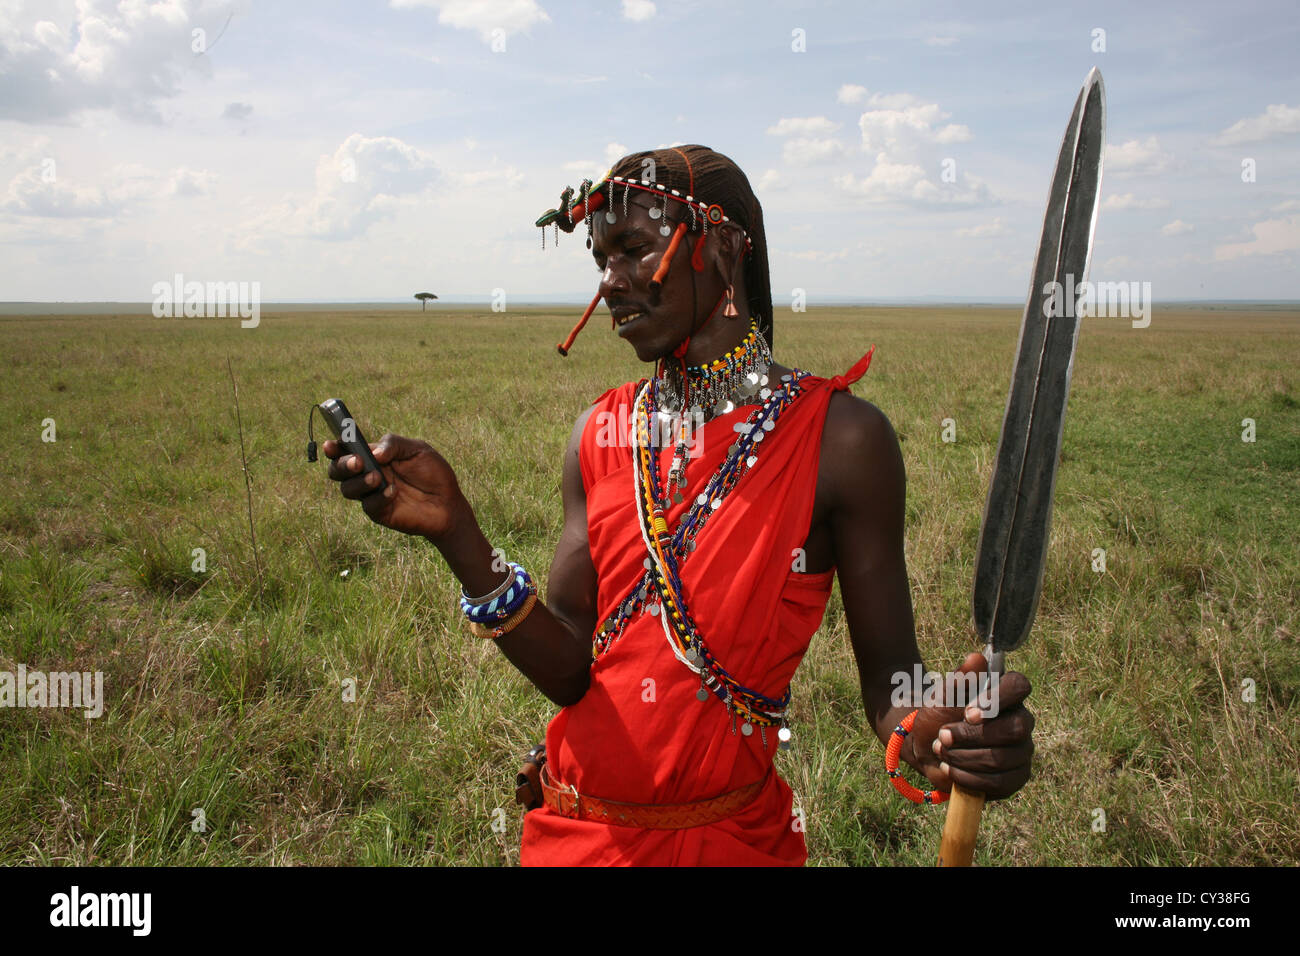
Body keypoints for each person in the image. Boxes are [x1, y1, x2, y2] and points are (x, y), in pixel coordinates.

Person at [323, 145, 1034, 866]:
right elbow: (571, 669)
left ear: (723, 250)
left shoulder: (841, 442)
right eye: (600, 260)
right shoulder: (599, 433)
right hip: (574, 836)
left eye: (634, 249)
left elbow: (890, 682)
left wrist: (936, 734)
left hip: (731, 843)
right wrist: (459, 537)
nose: (611, 284)